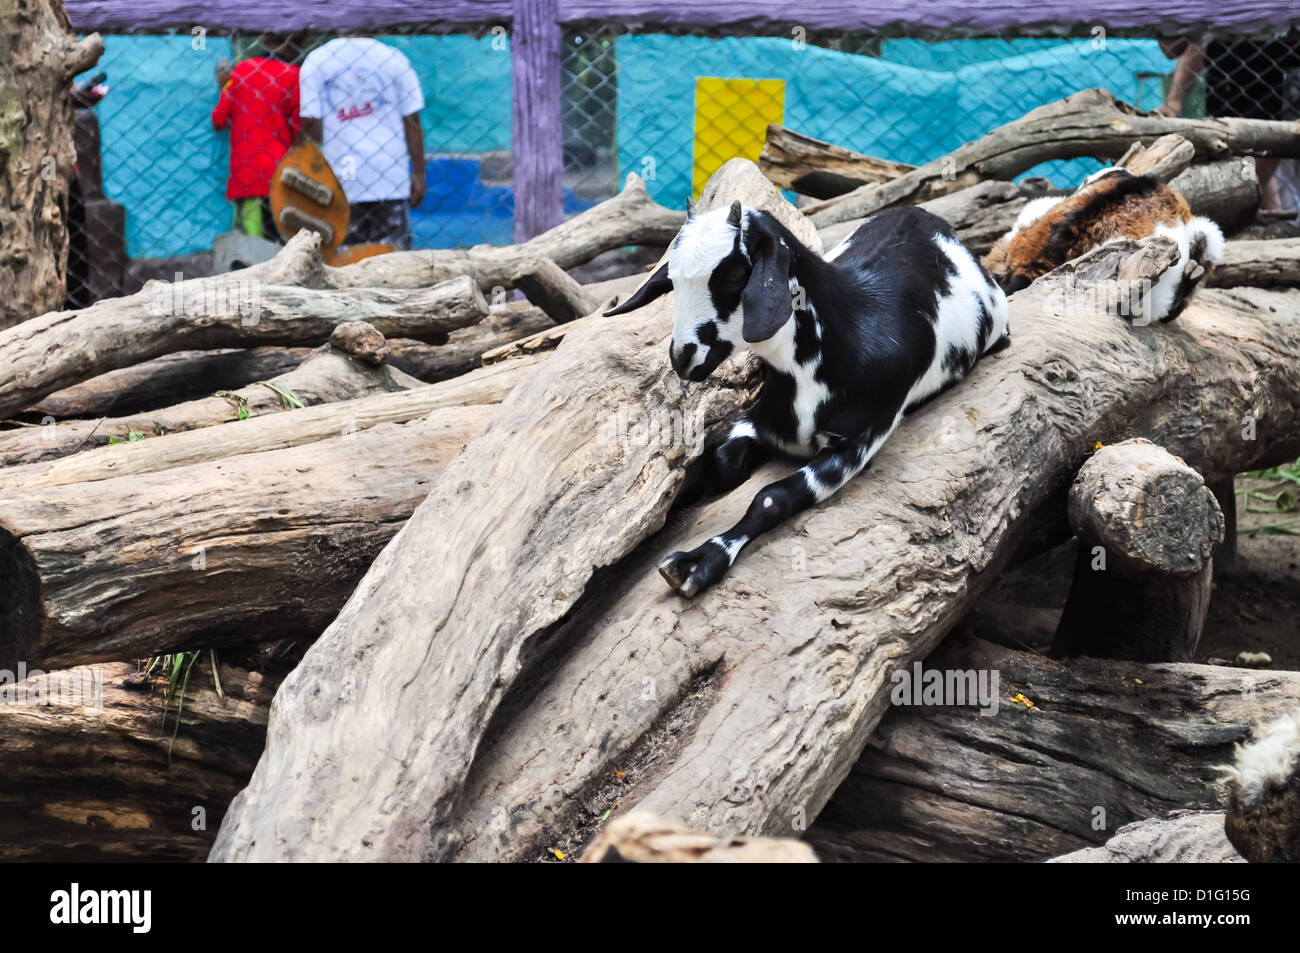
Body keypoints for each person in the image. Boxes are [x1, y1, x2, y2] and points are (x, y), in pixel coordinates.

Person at [298, 36, 426, 249]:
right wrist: (419, 172)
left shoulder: (317, 60)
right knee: (394, 258)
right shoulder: (393, 58)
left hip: (343, 173)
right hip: (389, 172)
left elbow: (311, 121)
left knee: (346, 259)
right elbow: (412, 120)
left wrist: (313, 167)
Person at [1159, 36, 1300, 212]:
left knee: (1264, 163)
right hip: (1235, 98)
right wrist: (1174, 101)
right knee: (1250, 163)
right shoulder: (1215, 26)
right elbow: (1178, 48)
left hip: (1278, 89)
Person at [211, 34, 304, 240]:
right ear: (301, 44)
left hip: (246, 177)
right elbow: (300, 129)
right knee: (281, 242)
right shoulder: (294, 75)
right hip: (281, 175)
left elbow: (219, 120)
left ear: (263, 40)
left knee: (251, 244)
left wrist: (224, 88)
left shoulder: (242, 71)